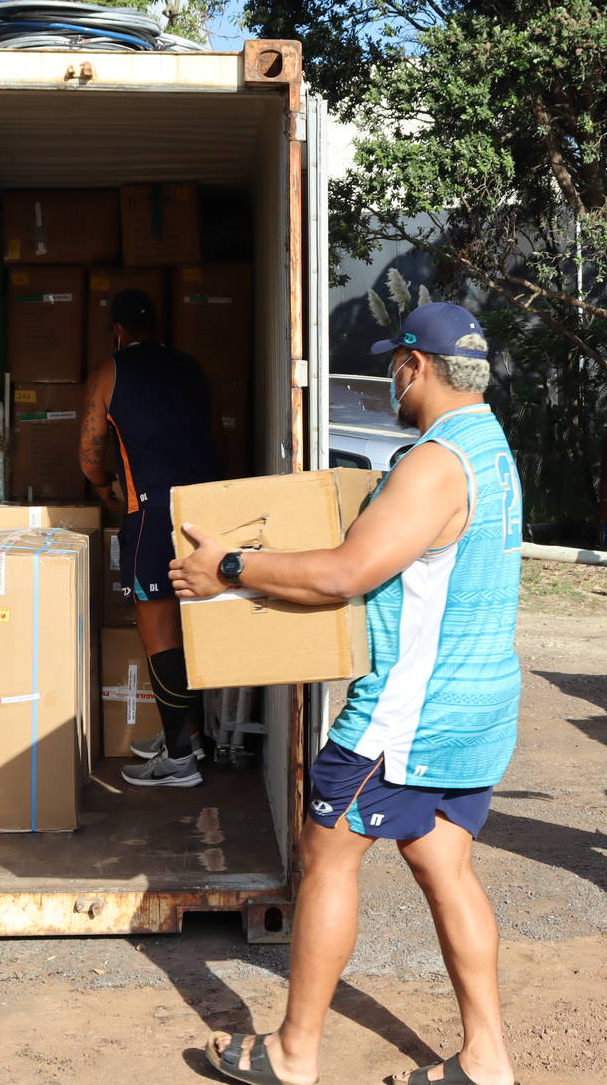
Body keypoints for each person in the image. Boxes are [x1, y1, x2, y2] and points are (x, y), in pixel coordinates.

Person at [170, 302, 521, 1085]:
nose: (392, 380)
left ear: (416, 366)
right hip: (478, 704)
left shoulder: (434, 464)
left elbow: (344, 574)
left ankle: (294, 1053)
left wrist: (229, 567)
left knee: (326, 854)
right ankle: (487, 1058)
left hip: (410, 714)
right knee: (445, 864)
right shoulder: (490, 446)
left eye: (394, 365)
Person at [79, 287, 220, 788]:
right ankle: (189, 735)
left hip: (152, 511)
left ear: (117, 330)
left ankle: (179, 760)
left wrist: (105, 490)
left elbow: (90, 455)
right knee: (191, 628)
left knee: (158, 632)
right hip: (207, 509)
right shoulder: (191, 367)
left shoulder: (109, 371)